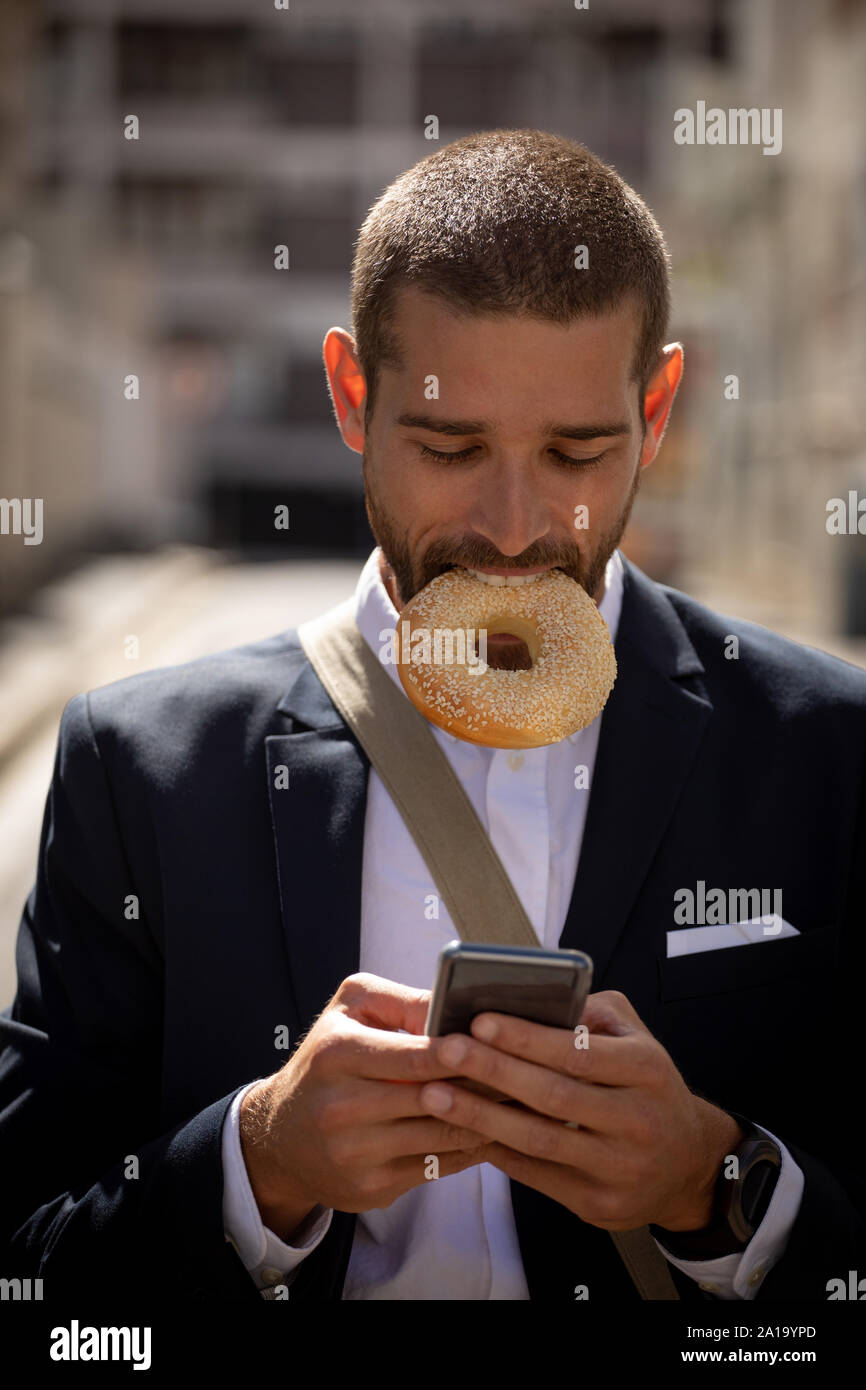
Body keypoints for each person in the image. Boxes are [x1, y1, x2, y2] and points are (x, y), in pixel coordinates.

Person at [1, 129, 863, 1303]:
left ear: (656, 407)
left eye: (576, 450)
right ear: (352, 395)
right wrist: (254, 1164)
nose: (513, 527)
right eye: (451, 445)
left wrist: (718, 1187)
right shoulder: (143, 769)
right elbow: (31, 1280)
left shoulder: (827, 750)